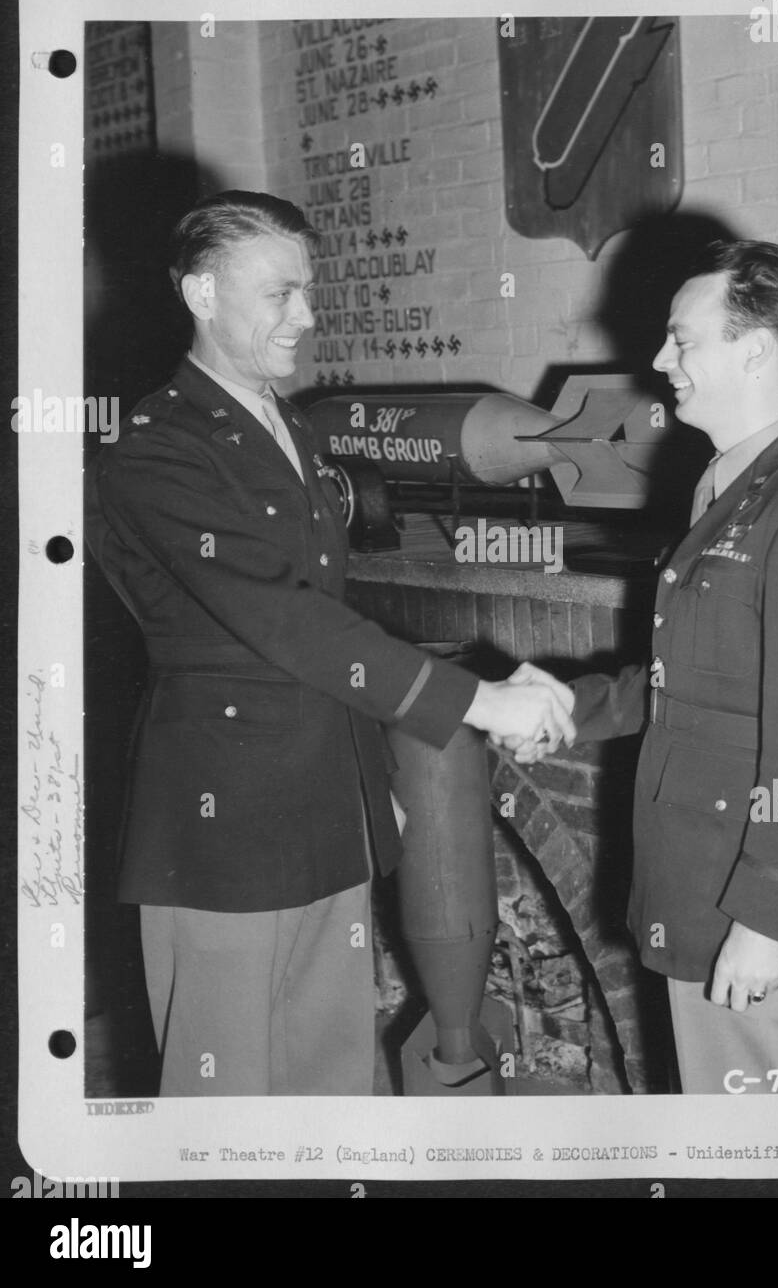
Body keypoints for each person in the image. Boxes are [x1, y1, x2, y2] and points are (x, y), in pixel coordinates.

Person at [86, 190, 574, 1098]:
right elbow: (283, 616)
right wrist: (477, 700)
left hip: (325, 806)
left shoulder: (291, 430)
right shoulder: (155, 448)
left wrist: (370, 785)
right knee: (225, 1094)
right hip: (222, 821)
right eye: (279, 294)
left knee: (330, 1078)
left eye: (306, 292)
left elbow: (329, 613)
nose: (305, 317)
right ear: (200, 293)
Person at [508, 241, 778, 1094]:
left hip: (745, 902)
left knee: (750, 1148)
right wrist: (569, 702)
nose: (657, 360)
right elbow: (689, 685)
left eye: (682, 340)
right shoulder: (728, 488)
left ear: (753, 350)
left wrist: (764, 916)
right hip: (702, 878)